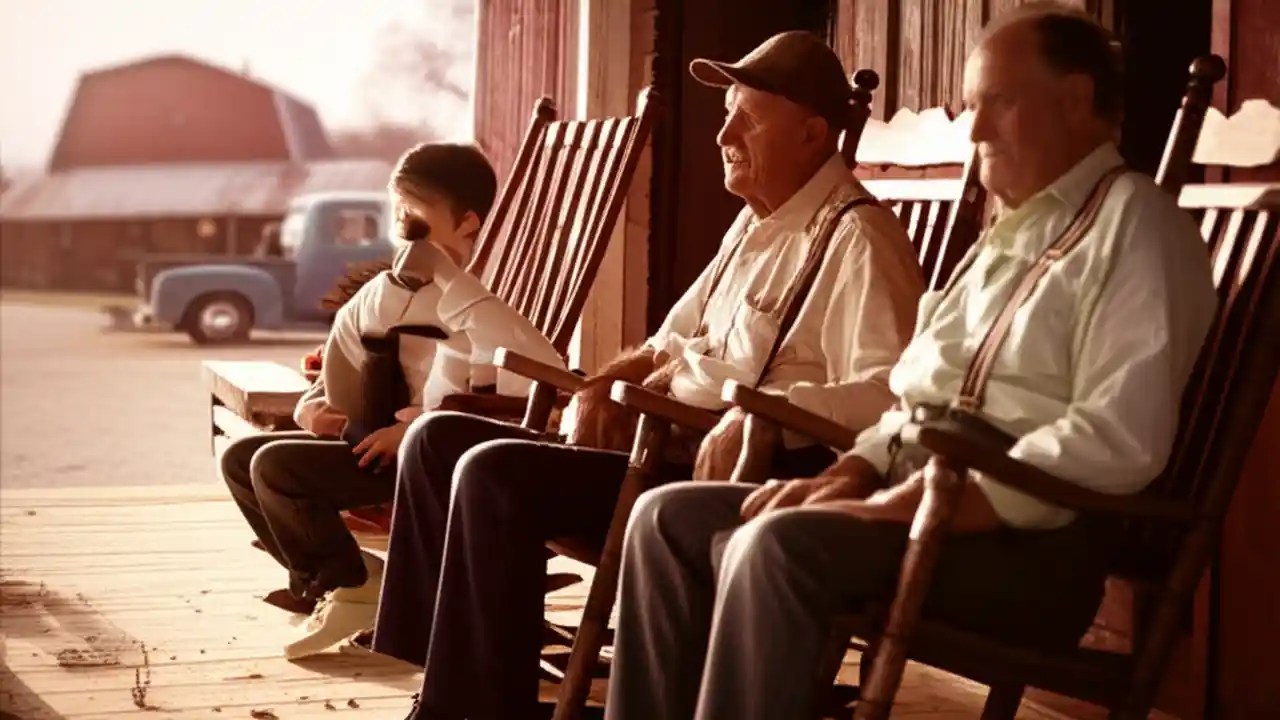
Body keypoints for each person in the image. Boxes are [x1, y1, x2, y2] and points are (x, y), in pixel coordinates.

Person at [602, 5, 1219, 720]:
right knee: (666, 519)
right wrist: (850, 473)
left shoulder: (1137, 228)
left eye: (998, 103)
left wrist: (912, 500)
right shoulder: (1009, 234)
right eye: (973, 107)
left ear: (1076, 100)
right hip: (917, 493)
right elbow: (915, 398)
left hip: (1025, 547)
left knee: (776, 547)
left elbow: (1117, 437)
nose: (977, 133)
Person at [375, 31, 926, 720]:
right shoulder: (753, 228)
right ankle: (453, 690)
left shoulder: (857, 241)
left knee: (495, 474)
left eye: (748, 119)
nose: (723, 134)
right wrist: (604, 387)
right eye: (726, 113)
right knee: (437, 439)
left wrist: (759, 414)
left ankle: (473, 710)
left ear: (813, 133)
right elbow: (665, 343)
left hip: (726, 472)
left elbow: (885, 394)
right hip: (653, 441)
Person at [219, 142, 564, 658]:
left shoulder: (475, 305)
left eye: (415, 215)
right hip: (367, 441)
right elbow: (340, 357)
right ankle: (346, 578)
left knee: (276, 468)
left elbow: (539, 380)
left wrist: (415, 428)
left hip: (430, 457)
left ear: (467, 223)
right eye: (397, 211)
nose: (403, 228)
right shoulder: (384, 291)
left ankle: (352, 587)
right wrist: (311, 406)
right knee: (240, 459)